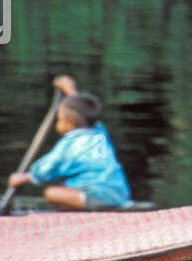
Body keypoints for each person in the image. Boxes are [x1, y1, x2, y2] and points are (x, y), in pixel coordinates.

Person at [8, 75, 131, 210]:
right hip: (119, 195)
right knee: (66, 187)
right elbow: (83, 111)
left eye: (60, 119)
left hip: (97, 196)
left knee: (51, 193)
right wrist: (70, 90)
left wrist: (24, 178)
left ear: (69, 123)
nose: (58, 122)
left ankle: (97, 208)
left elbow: (49, 167)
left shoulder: (69, 145)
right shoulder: (99, 133)